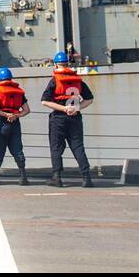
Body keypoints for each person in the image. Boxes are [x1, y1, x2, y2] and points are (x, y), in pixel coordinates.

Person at [40, 50, 95, 187]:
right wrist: (76, 108)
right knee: (78, 147)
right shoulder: (77, 80)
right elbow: (89, 99)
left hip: (58, 118)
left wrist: (64, 109)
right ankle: (86, 177)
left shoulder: (55, 80)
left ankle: (57, 178)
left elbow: (44, 101)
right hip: (75, 118)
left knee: (56, 148)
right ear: (67, 64)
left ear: (56, 65)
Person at [0, 67, 30, 185]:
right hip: (15, 124)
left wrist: (5, 114)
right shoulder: (19, 92)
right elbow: (27, 110)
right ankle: (23, 177)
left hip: (2, 124)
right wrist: (16, 115)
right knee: (17, 150)